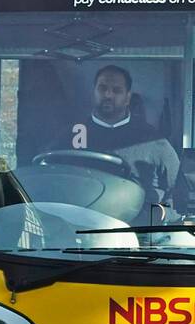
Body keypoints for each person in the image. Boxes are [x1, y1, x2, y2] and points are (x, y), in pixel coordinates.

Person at [63, 64, 181, 213]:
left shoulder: (153, 141)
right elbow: (52, 179)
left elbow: (177, 190)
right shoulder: (68, 137)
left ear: (127, 97)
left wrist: (161, 215)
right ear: (94, 92)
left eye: (116, 90)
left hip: (136, 229)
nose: (108, 95)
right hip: (80, 224)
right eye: (102, 88)